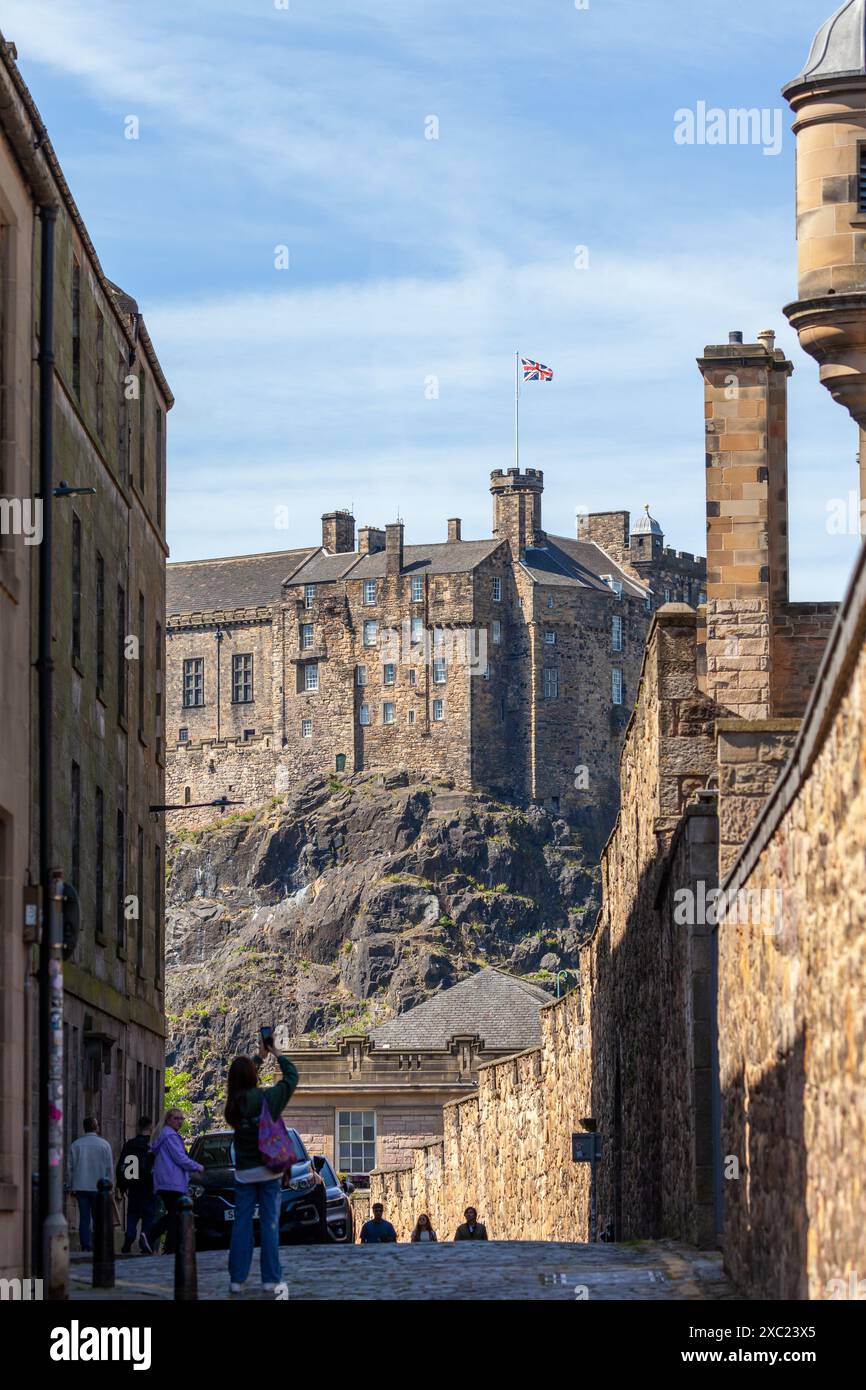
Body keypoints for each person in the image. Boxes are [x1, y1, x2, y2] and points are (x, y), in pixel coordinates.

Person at [224, 1036, 299, 1294]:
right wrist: (276, 1053)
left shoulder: (232, 1105)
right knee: (269, 1225)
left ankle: (237, 1279)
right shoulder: (268, 1099)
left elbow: (241, 1081)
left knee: (242, 1225)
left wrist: (258, 1058)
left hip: (244, 1172)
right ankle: (270, 1279)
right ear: (253, 1077)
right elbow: (291, 1077)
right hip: (269, 1169)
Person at [146, 1108, 203, 1255]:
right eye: (176, 1118)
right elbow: (180, 1158)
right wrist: (197, 1166)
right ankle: (152, 1236)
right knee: (175, 1213)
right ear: (168, 1120)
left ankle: (169, 1247)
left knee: (174, 1214)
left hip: (168, 1181)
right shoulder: (170, 1136)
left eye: (181, 1119)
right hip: (172, 1182)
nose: (180, 1121)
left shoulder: (165, 1135)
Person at [67, 1117, 113, 1253]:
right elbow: (109, 1168)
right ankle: (98, 1244)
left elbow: (69, 1167)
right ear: (96, 1127)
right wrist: (110, 1186)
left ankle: (86, 1245)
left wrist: (70, 1185)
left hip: (81, 1186)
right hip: (99, 1187)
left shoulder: (76, 1145)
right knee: (98, 1218)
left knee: (84, 1218)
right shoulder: (104, 1144)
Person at [116, 1116, 155, 1254]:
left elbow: (122, 1165)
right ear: (150, 1128)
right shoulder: (152, 1146)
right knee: (148, 1215)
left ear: (138, 1127)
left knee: (132, 1213)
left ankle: (130, 1235)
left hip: (133, 1185)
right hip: (149, 1185)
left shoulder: (130, 1145)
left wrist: (122, 1186)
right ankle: (145, 1239)